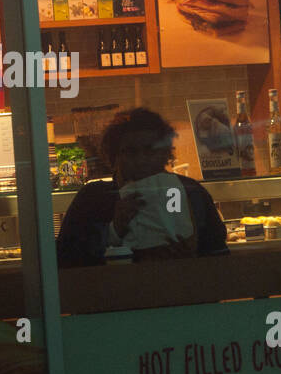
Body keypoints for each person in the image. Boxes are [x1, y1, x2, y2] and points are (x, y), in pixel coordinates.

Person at [56, 107, 227, 268]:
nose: (141, 159)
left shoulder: (191, 193)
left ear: (165, 154)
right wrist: (113, 230)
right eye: (130, 151)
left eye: (150, 150)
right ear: (113, 156)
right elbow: (65, 260)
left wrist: (191, 261)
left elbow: (219, 257)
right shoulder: (95, 198)